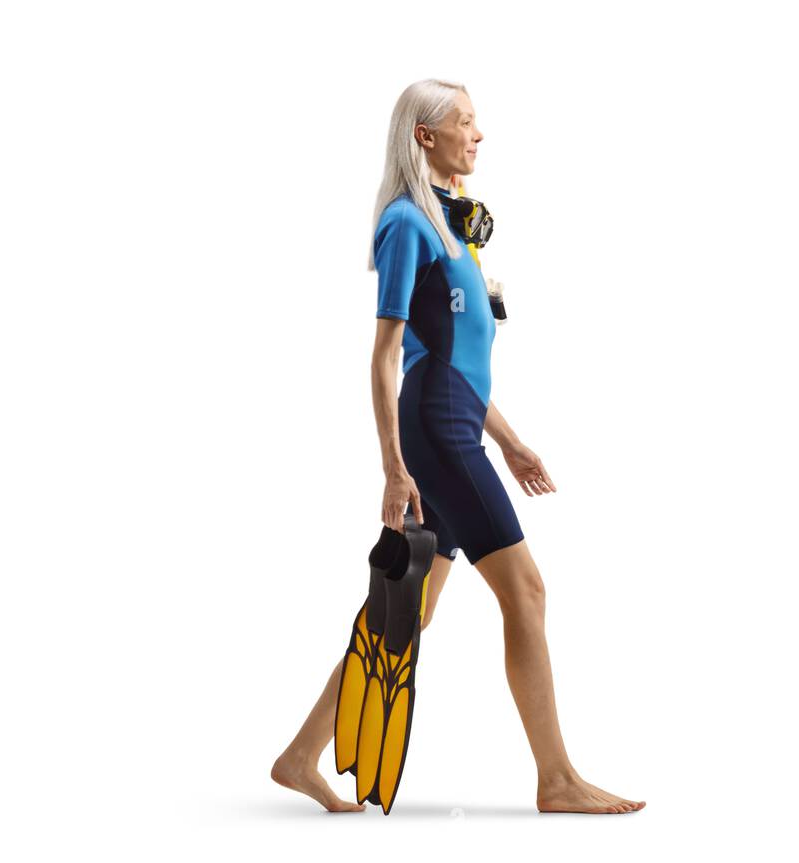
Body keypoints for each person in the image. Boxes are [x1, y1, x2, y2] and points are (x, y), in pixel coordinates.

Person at [272, 79, 644, 814]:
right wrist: (393, 466)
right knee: (526, 588)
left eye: (477, 123)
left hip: (456, 421)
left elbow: (459, 359)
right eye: (465, 123)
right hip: (435, 432)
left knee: (407, 613)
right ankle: (557, 780)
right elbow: (388, 356)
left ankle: (299, 756)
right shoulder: (408, 225)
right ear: (424, 136)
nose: (479, 135)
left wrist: (507, 439)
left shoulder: (455, 226)